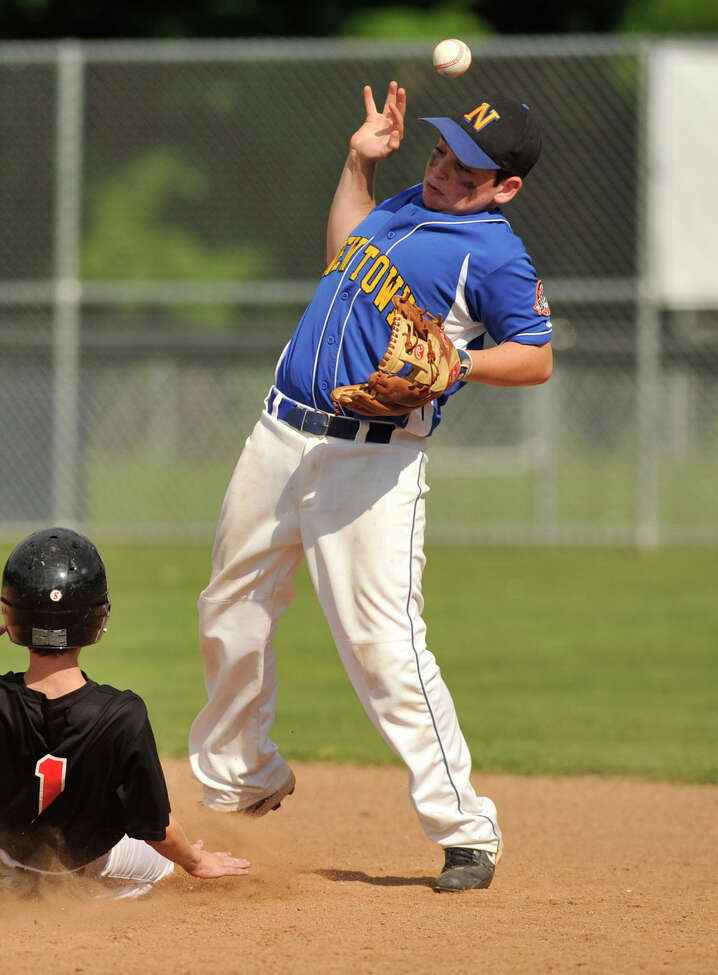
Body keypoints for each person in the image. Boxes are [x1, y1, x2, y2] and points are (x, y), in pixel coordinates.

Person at [188, 82, 553, 892]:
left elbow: (535, 355)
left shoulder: (492, 251)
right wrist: (358, 160)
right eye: (441, 155)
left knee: (383, 645)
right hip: (280, 434)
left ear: (505, 187)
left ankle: (466, 830)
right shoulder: (395, 205)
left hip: (372, 460)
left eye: (468, 172)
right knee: (230, 606)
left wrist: (461, 362)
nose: (445, 174)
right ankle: (243, 774)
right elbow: (341, 252)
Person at [0, 526, 250, 900]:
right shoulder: (123, 714)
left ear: (12, 618)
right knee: (161, 871)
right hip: (86, 864)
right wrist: (196, 862)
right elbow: (155, 827)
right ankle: (44, 887)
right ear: (97, 620)